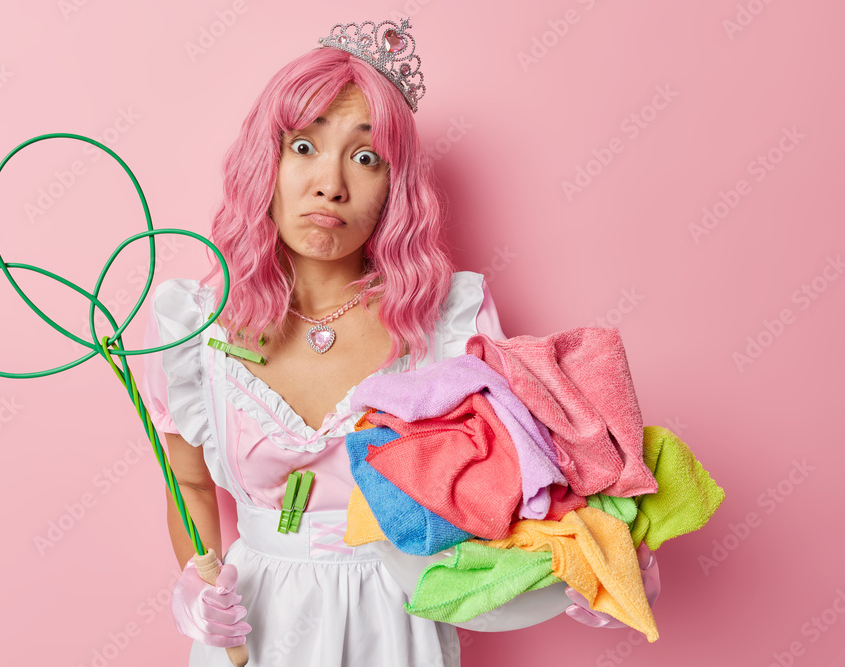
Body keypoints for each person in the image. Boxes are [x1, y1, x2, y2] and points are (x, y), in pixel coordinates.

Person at [141, 19, 658, 667]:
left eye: (365, 157)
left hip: (396, 625)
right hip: (251, 625)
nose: (330, 183)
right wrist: (195, 583)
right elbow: (188, 483)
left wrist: (587, 565)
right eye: (304, 147)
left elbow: (510, 484)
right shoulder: (198, 323)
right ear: (265, 162)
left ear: (395, 187)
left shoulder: (445, 324)